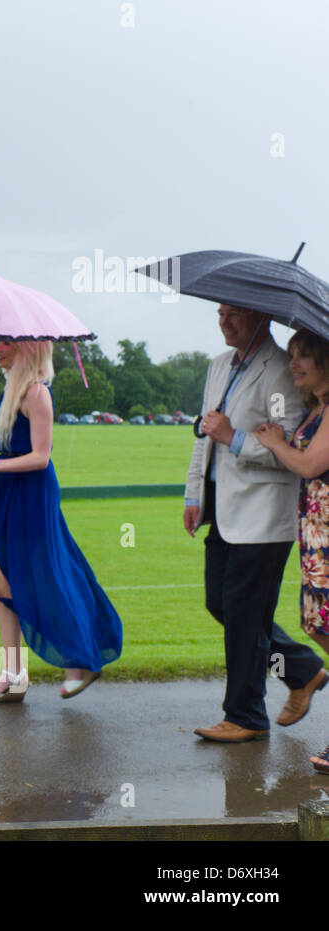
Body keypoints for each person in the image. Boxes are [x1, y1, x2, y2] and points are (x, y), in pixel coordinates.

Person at [185, 305, 325, 743]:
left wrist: (235, 437)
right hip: (221, 511)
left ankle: (245, 715)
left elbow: (288, 445)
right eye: (220, 313)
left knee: (245, 615)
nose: (223, 321)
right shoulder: (217, 366)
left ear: (262, 318)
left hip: (264, 515)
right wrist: (193, 494)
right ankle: (302, 669)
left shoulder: (284, 371)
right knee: (221, 604)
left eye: (234, 315)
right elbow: (204, 434)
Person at [0, 339, 122, 702]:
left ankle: (80, 658)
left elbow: (40, 458)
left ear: (28, 349)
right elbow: (10, 445)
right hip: (8, 491)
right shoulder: (12, 390)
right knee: (3, 582)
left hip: (32, 494)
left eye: (7, 343)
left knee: (42, 577)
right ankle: (14, 675)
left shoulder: (36, 394)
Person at [252, 329, 329, 769]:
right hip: (315, 534)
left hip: (327, 534)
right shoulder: (316, 407)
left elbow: (310, 463)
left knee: (323, 624)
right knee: (315, 624)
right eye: (292, 355)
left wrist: (278, 444)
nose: (293, 363)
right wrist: (283, 435)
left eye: (303, 357)